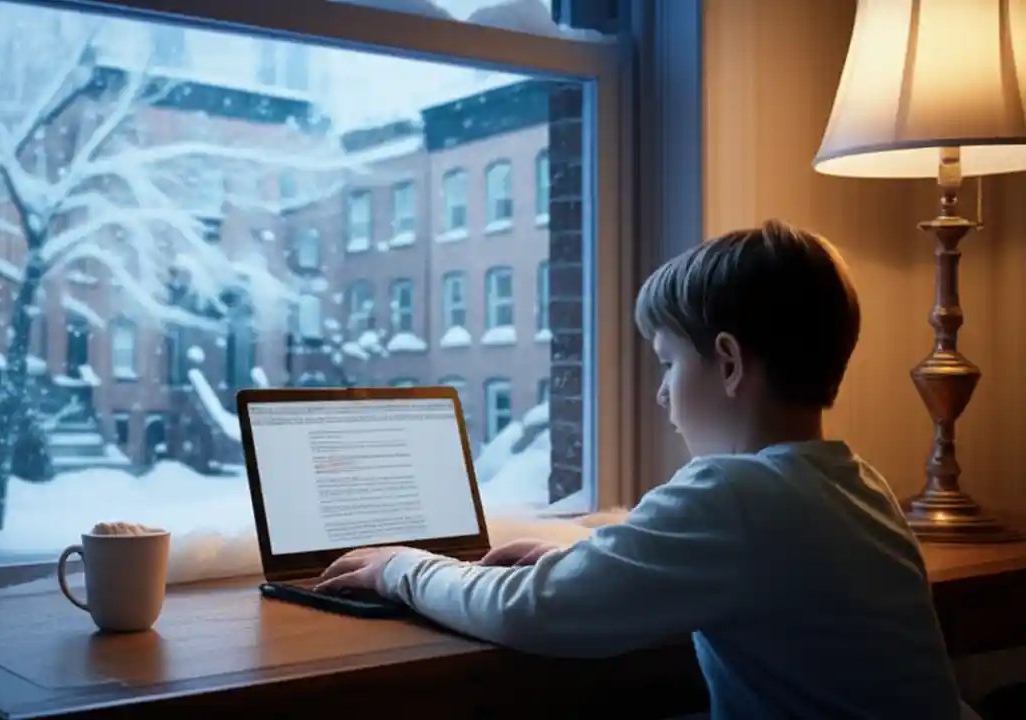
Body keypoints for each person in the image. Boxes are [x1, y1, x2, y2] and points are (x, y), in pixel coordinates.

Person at [316, 220, 965, 719]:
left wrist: (402, 567)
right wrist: (584, 554)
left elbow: (528, 613)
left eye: (667, 363)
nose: (662, 395)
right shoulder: (857, 485)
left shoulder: (734, 494)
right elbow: (738, 561)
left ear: (730, 363)